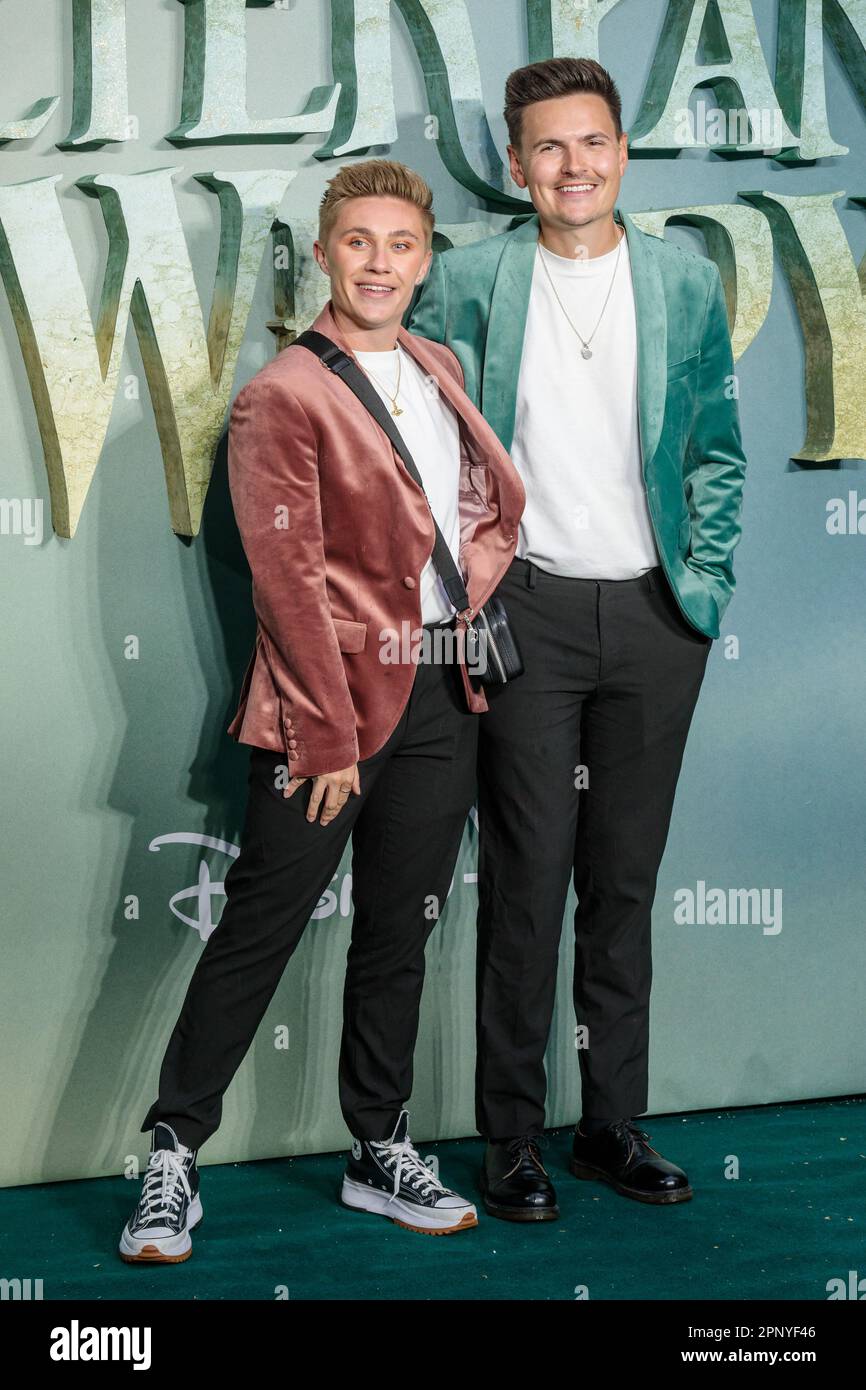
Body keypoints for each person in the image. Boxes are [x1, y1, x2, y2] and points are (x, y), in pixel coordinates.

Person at [119, 159, 525, 1261]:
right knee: (258, 930)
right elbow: (284, 582)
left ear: (424, 257)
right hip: (328, 711)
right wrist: (330, 731)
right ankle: (171, 1156)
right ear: (324, 253)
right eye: (359, 243)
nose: (380, 262)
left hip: (441, 692)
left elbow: (470, 512)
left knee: (399, 933)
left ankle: (376, 1145)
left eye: (400, 243)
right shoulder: (279, 394)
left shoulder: (438, 365)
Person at [407, 57, 747, 1220]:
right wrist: (463, 591)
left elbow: (711, 446)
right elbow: (425, 447)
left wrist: (702, 581)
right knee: (524, 880)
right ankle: (511, 1138)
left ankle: (611, 1124)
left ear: (619, 151)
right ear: (515, 166)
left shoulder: (682, 282)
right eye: (547, 148)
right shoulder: (465, 281)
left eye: (591, 142)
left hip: (655, 615)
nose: (572, 166)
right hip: (525, 613)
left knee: (622, 884)